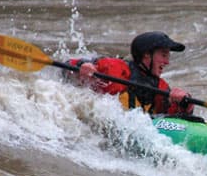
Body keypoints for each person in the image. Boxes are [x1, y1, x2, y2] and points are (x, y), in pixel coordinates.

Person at [65, 31, 194, 116]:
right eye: (163, 55)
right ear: (147, 55)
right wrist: (82, 66)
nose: (167, 62)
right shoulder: (115, 68)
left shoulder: (161, 87)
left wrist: (185, 104)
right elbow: (67, 67)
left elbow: (173, 119)